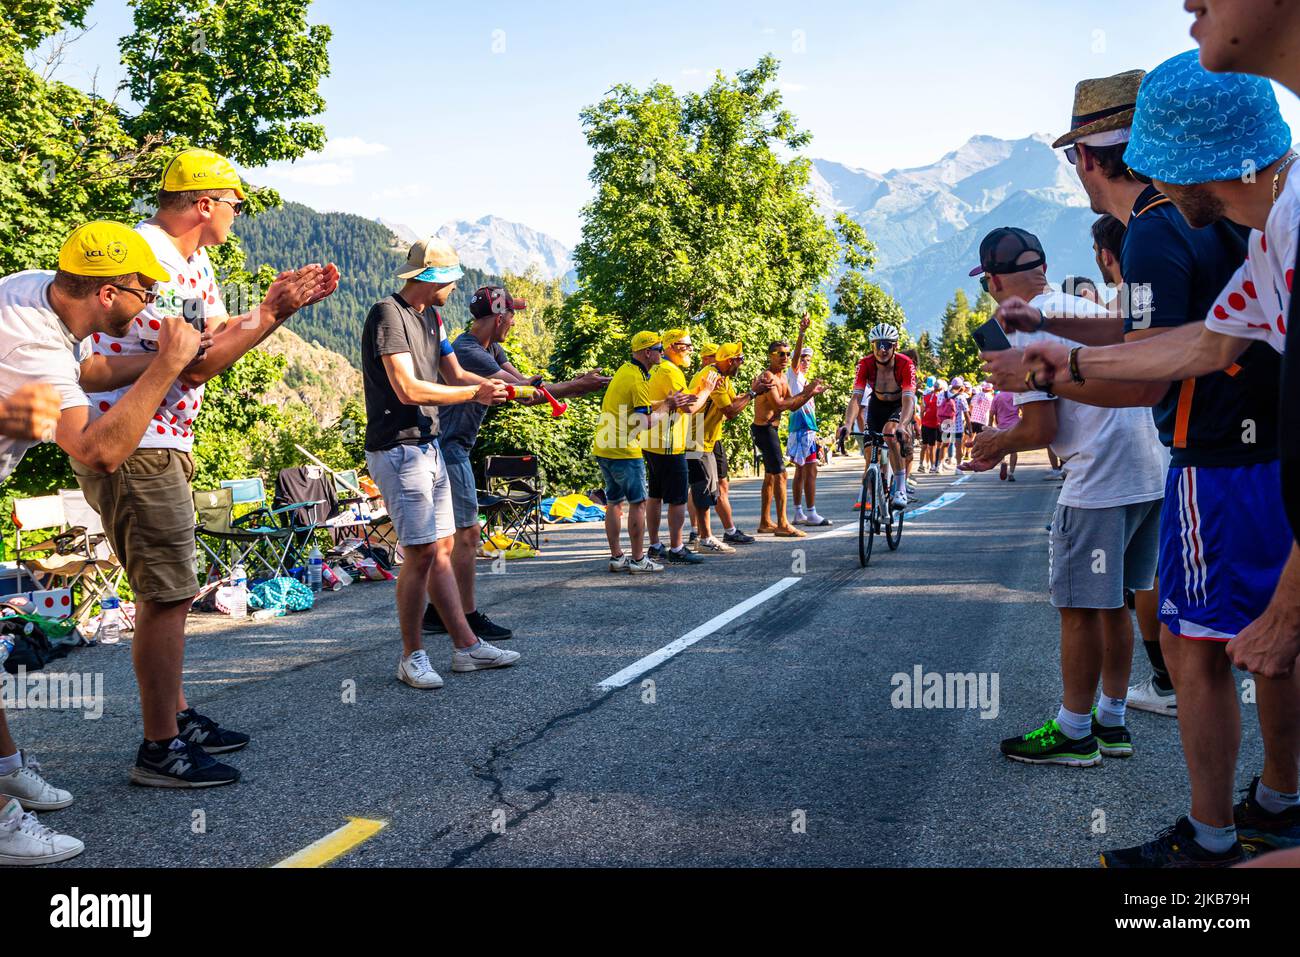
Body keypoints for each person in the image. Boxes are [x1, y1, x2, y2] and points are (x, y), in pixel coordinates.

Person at [1015, 55, 1300, 863]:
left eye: (1164, 163)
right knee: (1257, 642)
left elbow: (1164, 365)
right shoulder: (1267, 226)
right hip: (1262, 453)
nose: (1157, 184)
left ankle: (1213, 839)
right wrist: (1061, 357)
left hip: (1220, 461)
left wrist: (1057, 364)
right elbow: (1204, 340)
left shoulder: (1165, 225)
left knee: (1197, 646)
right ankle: (1279, 800)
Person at [74, 150, 338, 787]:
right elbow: (194, 364)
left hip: (163, 442)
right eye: (235, 203)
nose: (238, 215)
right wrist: (271, 314)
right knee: (167, 596)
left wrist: (272, 312)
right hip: (137, 445)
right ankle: (159, 748)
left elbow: (213, 337)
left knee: (171, 591)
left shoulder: (194, 261)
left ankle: (178, 714)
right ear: (202, 203)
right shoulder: (150, 258)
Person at [0, 220, 204, 863]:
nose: (152, 306)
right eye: (145, 293)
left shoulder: (37, 290)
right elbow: (98, 449)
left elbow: (86, 369)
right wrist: (168, 363)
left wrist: (171, 361)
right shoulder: (32, 342)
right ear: (110, 292)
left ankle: (6, 766)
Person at [965, 227, 1167, 779]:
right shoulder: (1084, 306)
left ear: (996, 280)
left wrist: (994, 443)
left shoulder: (1013, 330)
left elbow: (1041, 426)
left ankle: (1073, 731)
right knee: (1115, 602)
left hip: (1098, 479)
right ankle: (1112, 719)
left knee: (1078, 608)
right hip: (1149, 472)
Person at [361, 238, 519, 691]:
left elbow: (455, 375)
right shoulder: (387, 314)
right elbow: (408, 388)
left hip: (428, 444)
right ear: (434, 279)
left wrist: (497, 385)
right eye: (451, 278)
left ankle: (466, 648)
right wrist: (476, 392)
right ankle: (412, 656)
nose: (454, 286)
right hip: (398, 447)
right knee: (421, 552)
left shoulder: (433, 316)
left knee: (443, 549)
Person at [430, 286, 608, 639]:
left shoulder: (491, 348)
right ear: (499, 318)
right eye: (512, 315)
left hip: (454, 449)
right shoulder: (468, 352)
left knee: (451, 538)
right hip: (449, 449)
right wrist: (574, 386)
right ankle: (463, 617)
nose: (514, 322)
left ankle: (437, 613)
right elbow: (524, 394)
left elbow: (524, 385)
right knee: (467, 535)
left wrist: (554, 388)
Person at [594, 332, 688, 572]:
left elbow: (637, 408)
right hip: (624, 449)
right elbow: (643, 423)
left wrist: (662, 403)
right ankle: (638, 560)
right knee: (638, 503)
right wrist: (668, 406)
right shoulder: (637, 379)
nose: (662, 352)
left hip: (605, 445)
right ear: (648, 352)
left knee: (614, 502)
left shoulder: (625, 370)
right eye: (659, 348)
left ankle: (617, 557)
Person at [686, 342, 771, 551]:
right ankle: (704, 538)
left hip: (707, 438)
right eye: (739, 359)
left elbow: (733, 401)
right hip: (695, 437)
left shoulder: (722, 377)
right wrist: (752, 393)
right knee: (702, 488)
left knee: (710, 488)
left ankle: (708, 536)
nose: (741, 363)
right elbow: (730, 411)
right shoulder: (713, 377)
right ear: (730, 361)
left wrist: (754, 392)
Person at [643, 328, 710, 565]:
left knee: (655, 494)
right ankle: (677, 547)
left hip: (651, 440)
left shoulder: (656, 369)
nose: (690, 350)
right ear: (671, 347)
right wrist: (707, 390)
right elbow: (689, 408)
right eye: (685, 346)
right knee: (678, 498)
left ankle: (654, 545)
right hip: (669, 443)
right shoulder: (672, 371)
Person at [837, 323, 915, 511]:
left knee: (890, 433)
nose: (882, 350)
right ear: (872, 346)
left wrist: (903, 425)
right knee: (870, 451)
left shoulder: (906, 364)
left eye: (887, 344)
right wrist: (847, 424)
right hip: (877, 405)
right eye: (878, 344)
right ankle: (876, 495)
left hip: (899, 405)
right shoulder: (865, 364)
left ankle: (901, 488)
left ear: (895, 345)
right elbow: (856, 397)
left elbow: (908, 399)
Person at [752, 336, 824, 536]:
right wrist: (807, 392)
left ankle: (765, 521)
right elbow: (780, 405)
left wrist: (810, 393)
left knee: (770, 476)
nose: (784, 357)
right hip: (764, 430)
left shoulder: (782, 377)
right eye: (780, 354)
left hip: (770, 430)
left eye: (787, 354)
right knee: (781, 475)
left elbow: (793, 403)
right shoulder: (768, 377)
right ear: (770, 356)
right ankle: (783, 524)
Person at [786, 316, 830, 526]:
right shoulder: (793, 374)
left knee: (801, 471)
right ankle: (811, 512)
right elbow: (794, 358)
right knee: (811, 469)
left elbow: (804, 398)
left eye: (808, 360)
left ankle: (798, 512)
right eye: (802, 358)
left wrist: (814, 391)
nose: (805, 362)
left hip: (802, 428)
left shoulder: (802, 380)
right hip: (803, 429)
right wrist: (801, 333)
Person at [989, 386, 1019, 480]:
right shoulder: (1015, 396)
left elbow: (991, 413)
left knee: (1002, 449)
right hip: (1014, 426)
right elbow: (1023, 410)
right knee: (1013, 451)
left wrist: (990, 425)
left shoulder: (997, 397)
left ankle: (1003, 462)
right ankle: (1011, 473)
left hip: (1001, 426)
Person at [919, 378, 945, 473]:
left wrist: (922, 421)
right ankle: (933, 466)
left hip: (926, 424)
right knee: (932, 446)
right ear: (941, 388)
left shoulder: (926, 397)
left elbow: (922, 410)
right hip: (935, 424)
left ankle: (921, 464)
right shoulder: (942, 397)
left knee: (924, 445)